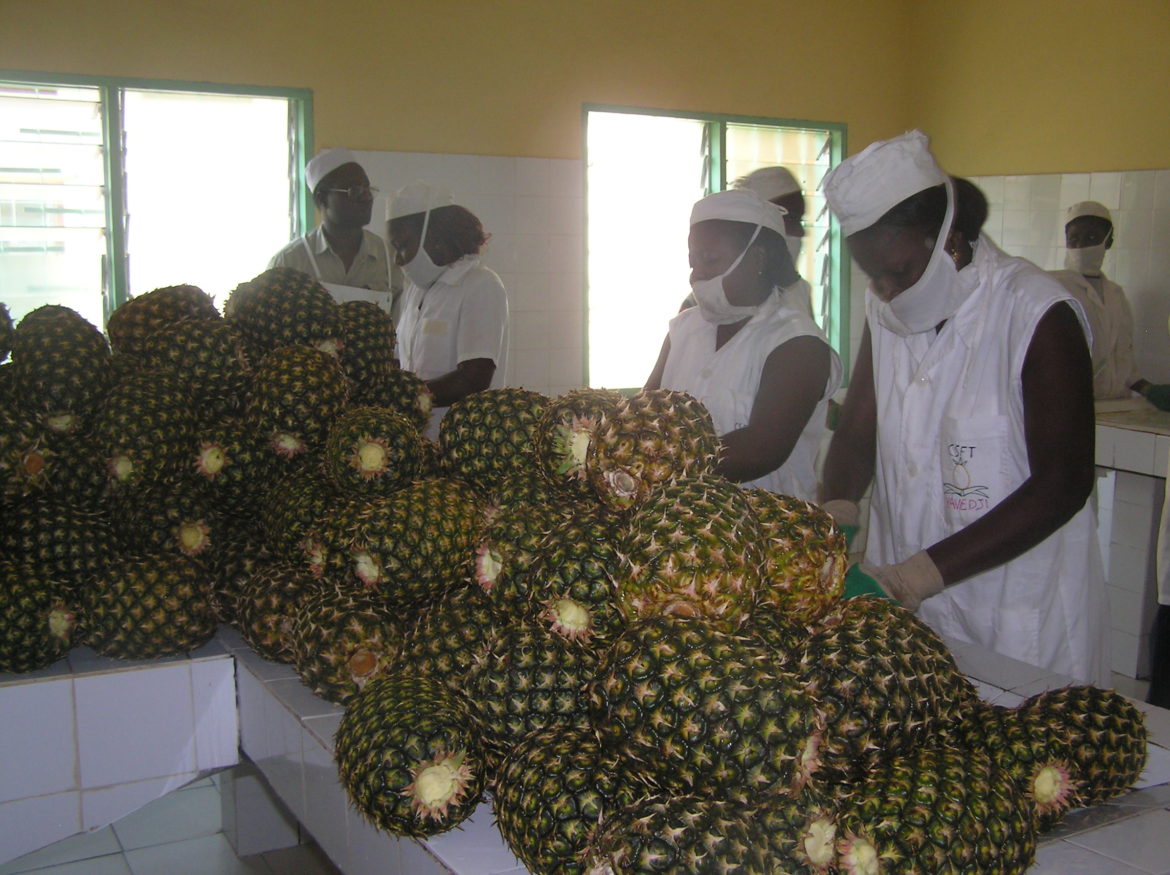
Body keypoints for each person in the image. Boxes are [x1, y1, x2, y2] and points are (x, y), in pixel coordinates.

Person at [819, 130, 1109, 687]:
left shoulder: (1036, 312)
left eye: (898, 272)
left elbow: (1064, 484)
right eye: (872, 276)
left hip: (1016, 616)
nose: (883, 290)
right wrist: (834, 517)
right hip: (916, 627)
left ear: (948, 238)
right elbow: (857, 432)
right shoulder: (888, 311)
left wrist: (916, 577)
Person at [645, 189, 840, 501]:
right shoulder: (682, 330)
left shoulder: (798, 343)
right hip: (676, 525)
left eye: (710, 260)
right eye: (693, 261)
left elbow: (762, 449)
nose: (698, 274)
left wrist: (653, 465)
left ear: (758, 258)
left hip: (767, 529)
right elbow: (644, 415)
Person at [387, 182, 509, 440]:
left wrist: (405, 397)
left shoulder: (480, 285)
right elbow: (398, 360)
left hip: (464, 442)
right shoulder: (416, 291)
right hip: (418, 440)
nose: (397, 259)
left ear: (435, 239)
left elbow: (475, 376)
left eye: (402, 245)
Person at [1049, 201, 1170, 407]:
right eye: (1074, 239)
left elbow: (1123, 360)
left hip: (1116, 406)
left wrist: (1148, 389)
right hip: (1069, 407)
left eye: (1092, 238)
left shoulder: (1116, 295)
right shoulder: (1053, 287)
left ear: (1109, 242)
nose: (1081, 246)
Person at [268, 147, 392, 308]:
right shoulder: (288, 262)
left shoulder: (389, 258)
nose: (366, 197)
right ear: (322, 199)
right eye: (354, 191)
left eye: (367, 189)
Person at [732, 166, 813, 317]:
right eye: (791, 220)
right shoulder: (712, 303)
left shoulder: (798, 293)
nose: (801, 232)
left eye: (801, 220)